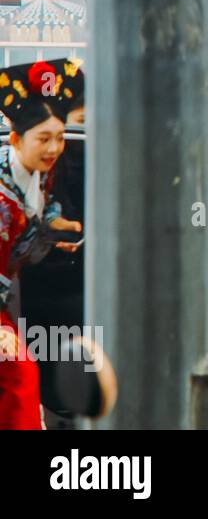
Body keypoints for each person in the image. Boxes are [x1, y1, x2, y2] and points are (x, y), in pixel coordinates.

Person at [0, 59, 84, 429]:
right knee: (19, 377)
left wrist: (57, 238)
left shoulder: (38, 179)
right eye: (44, 139)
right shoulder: (3, 195)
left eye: (61, 137)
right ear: (16, 139)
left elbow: (41, 220)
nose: (54, 148)